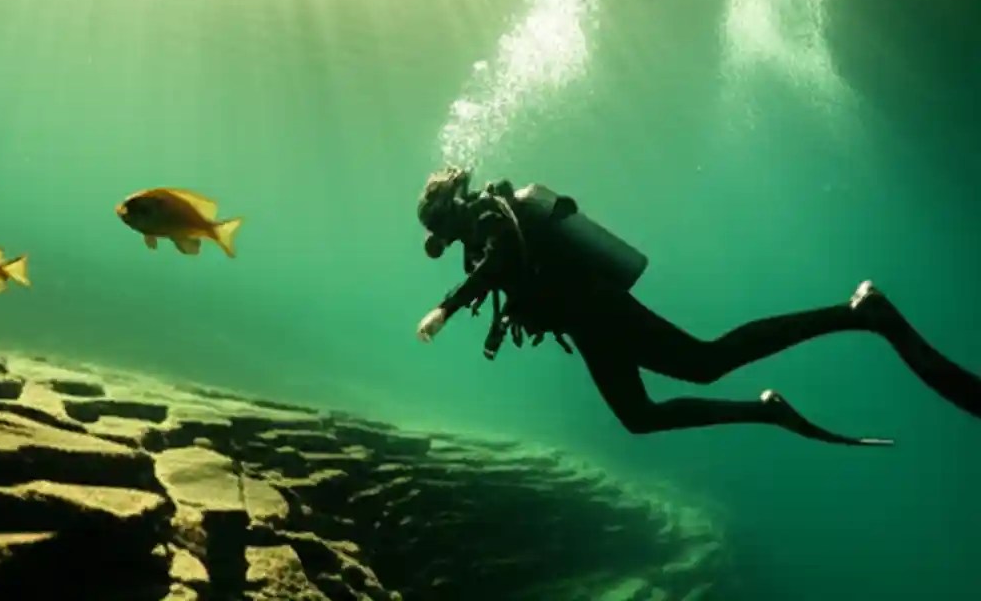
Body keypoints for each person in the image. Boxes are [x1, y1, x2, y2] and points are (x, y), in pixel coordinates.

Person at [413, 166, 981, 447]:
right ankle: (770, 412)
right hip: (587, 325)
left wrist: (445, 309)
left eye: (435, 224)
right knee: (639, 418)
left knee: (706, 362)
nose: (438, 237)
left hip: (599, 308)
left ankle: (858, 312)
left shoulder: (488, 218)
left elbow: (499, 259)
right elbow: (503, 273)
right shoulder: (479, 231)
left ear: (447, 210)